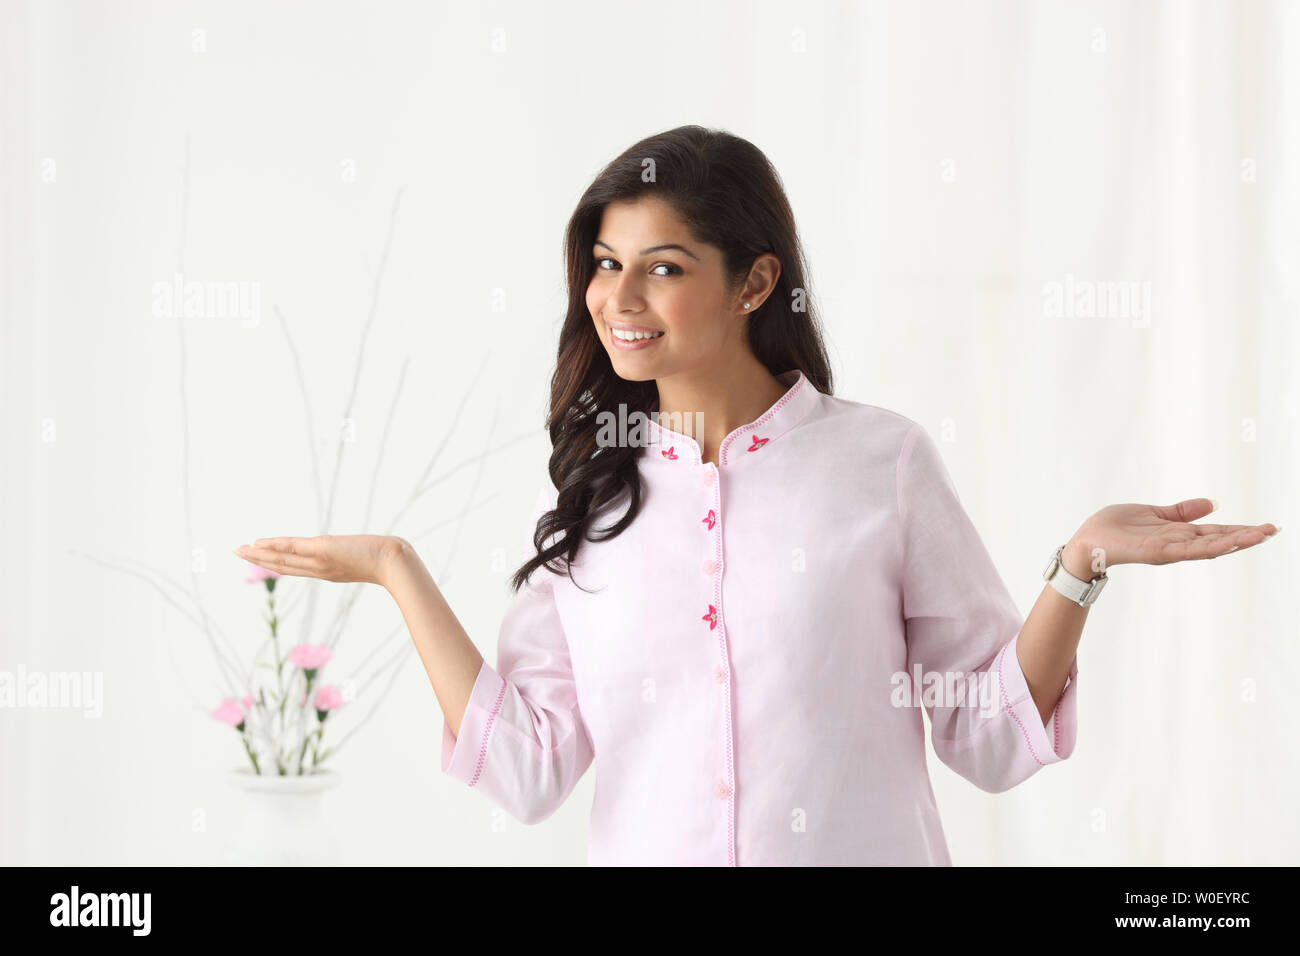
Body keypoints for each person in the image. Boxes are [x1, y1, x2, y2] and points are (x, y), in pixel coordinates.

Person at [234, 125, 1280, 865]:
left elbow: (989, 733)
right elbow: (527, 766)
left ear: (752, 281)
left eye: (662, 267)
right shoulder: (597, 495)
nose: (617, 299)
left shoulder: (883, 463)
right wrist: (395, 571)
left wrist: (1077, 570)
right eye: (604, 264)